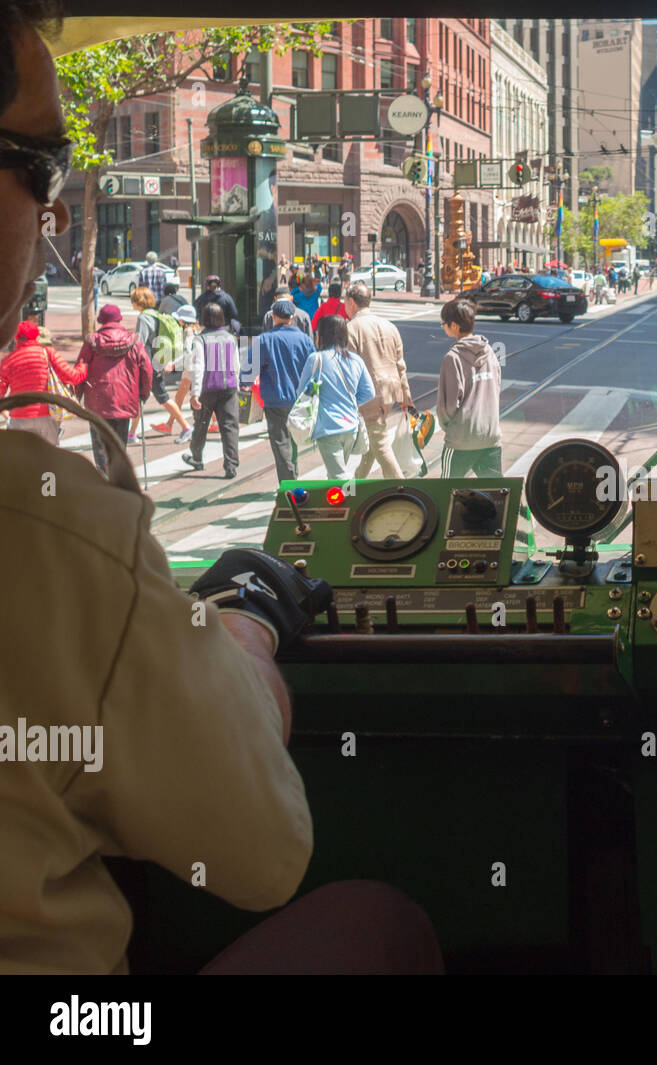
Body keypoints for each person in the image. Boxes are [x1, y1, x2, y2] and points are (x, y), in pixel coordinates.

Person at [0, 1, 443, 975]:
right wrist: (242, 624)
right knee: (378, 920)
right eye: (39, 169)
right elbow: (262, 855)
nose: (54, 213)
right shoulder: (46, 528)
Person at [63, 304, 152, 472]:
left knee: (100, 448)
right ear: (118, 319)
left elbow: (80, 368)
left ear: (101, 320)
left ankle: (104, 480)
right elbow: (146, 369)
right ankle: (118, 480)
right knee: (119, 446)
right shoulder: (133, 341)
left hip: (97, 403)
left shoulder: (92, 341)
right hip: (124, 402)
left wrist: (76, 395)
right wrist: (143, 393)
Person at [345, 280, 412, 479]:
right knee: (374, 440)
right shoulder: (389, 325)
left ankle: (400, 486)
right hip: (391, 390)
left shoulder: (352, 328)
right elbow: (400, 363)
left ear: (351, 302)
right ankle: (356, 485)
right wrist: (406, 396)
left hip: (369, 393)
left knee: (379, 443)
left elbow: (350, 369)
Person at [296, 313, 375, 478]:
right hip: (351, 426)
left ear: (322, 336)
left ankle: (350, 502)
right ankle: (338, 502)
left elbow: (301, 392)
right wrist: (349, 401)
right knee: (336, 474)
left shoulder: (316, 359)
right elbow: (369, 392)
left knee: (339, 476)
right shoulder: (355, 360)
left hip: (329, 427)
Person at [437, 298, 502, 478]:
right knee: (497, 492)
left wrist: (448, 427)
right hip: (490, 435)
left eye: (444, 323)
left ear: (454, 326)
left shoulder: (452, 358)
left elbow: (447, 406)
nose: (443, 327)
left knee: (447, 491)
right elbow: (495, 389)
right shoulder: (490, 352)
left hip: (461, 440)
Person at [256, 299, 314, 482]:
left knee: (280, 442)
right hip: (299, 398)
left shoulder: (264, 339)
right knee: (294, 436)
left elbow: (249, 369)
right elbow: (314, 367)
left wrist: (244, 381)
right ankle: (293, 473)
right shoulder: (305, 340)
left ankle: (288, 480)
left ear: (273, 317)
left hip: (274, 398)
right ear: (293, 317)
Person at [180, 302, 240, 478]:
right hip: (229, 388)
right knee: (229, 426)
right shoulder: (230, 338)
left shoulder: (201, 339)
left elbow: (199, 367)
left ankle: (197, 458)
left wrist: (195, 394)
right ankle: (231, 465)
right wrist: (235, 382)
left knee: (201, 425)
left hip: (207, 389)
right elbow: (236, 365)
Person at [0, 318, 80, 444]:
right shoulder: (47, 353)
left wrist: (6, 414)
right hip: (46, 416)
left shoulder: (8, 361)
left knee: (22, 459)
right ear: (36, 336)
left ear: (16, 338)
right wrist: (83, 367)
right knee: (48, 458)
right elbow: (73, 377)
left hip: (19, 418)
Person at [130, 284, 191, 442]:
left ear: (138, 302)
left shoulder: (143, 317)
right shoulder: (156, 314)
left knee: (162, 397)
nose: (132, 304)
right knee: (140, 398)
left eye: (133, 301)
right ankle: (131, 433)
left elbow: (140, 342)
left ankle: (186, 427)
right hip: (156, 362)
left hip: (148, 364)